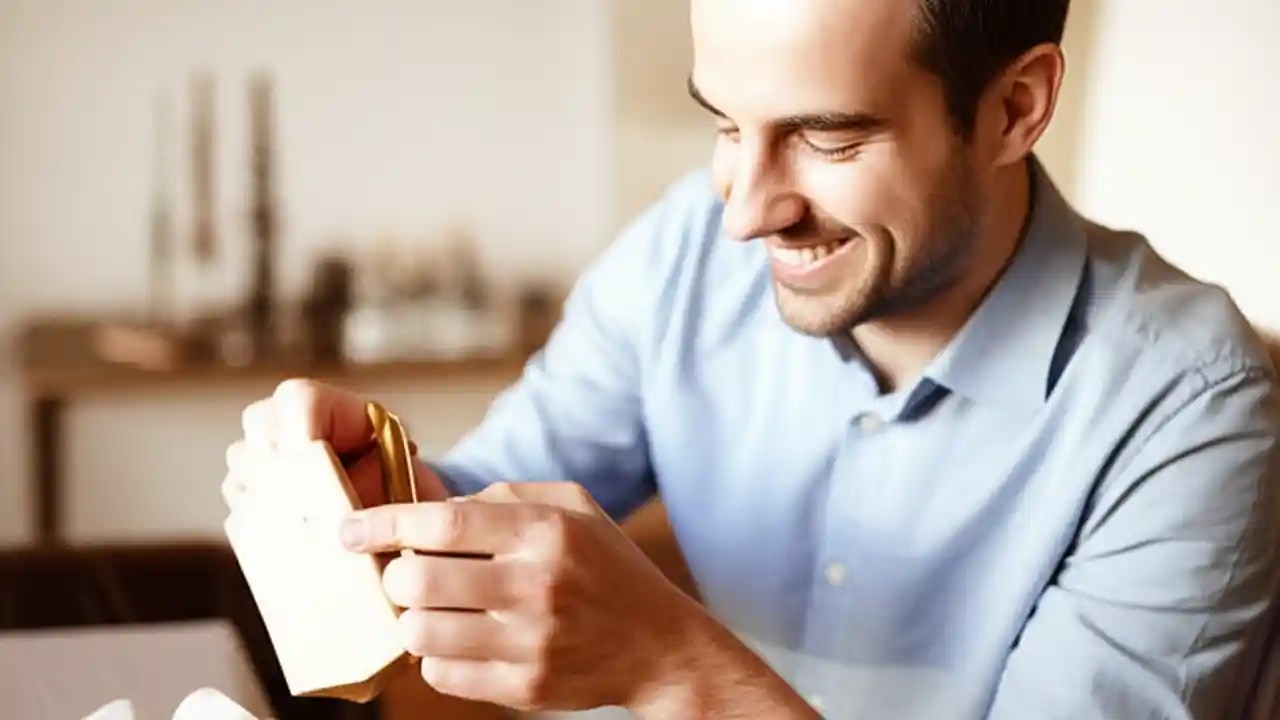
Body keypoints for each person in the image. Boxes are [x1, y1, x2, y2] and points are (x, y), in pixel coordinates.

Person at [224, 0, 1280, 718]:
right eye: (725, 124)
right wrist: (377, 490)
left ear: (1014, 108)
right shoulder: (687, 247)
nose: (744, 212)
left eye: (826, 137)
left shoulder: (1192, 411)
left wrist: (668, 665)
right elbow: (493, 485)